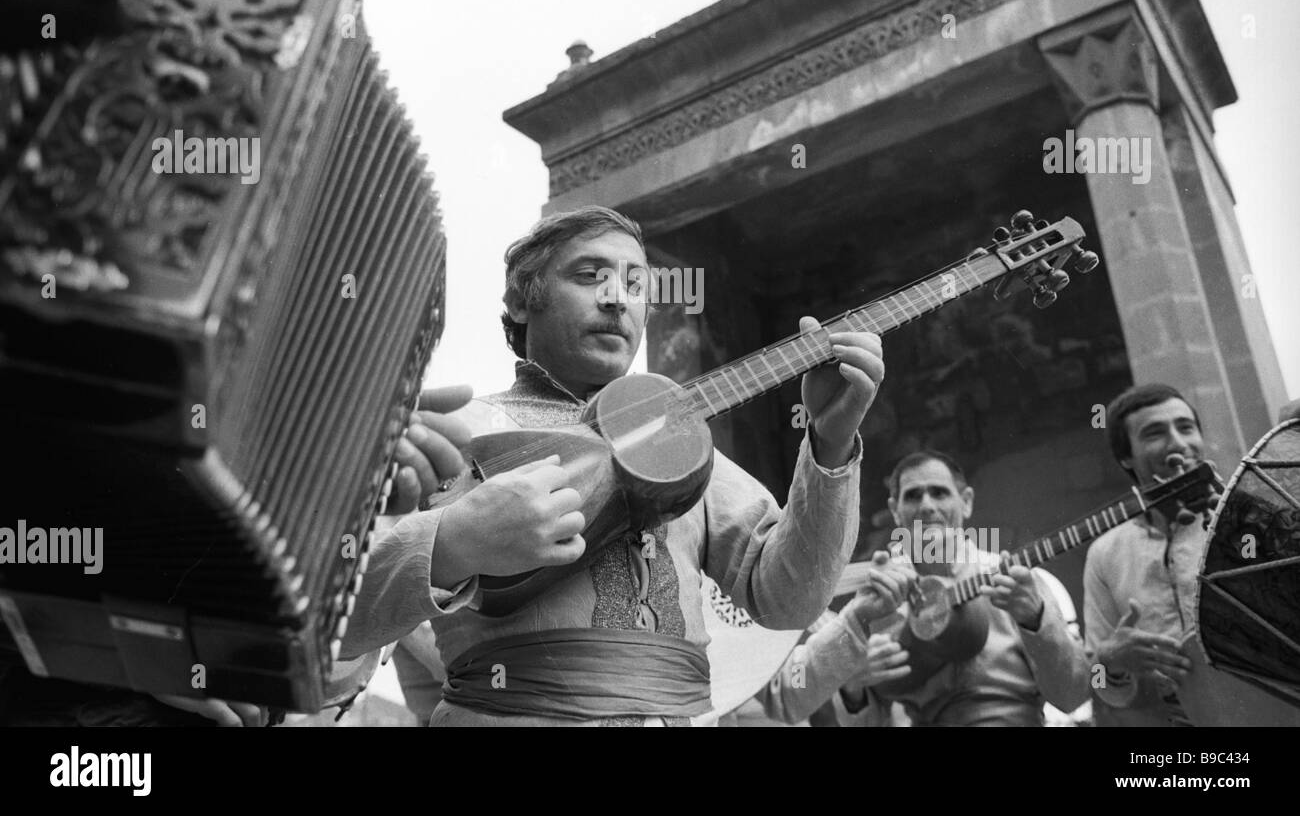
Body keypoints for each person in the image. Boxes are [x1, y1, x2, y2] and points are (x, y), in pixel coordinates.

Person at [339, 205, 885, 726]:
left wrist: (830, 444)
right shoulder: (455, 429)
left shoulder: (682, 445)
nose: (616, 300)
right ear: (522, 299)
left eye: (634, 285)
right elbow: (329, 620)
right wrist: (452, 542)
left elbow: (787, 598)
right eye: (588, 275)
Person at [762, 450, 1091, 726]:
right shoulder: (877, 600)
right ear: (895, 510)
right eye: (913, 495)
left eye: (940, 492)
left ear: (966, 502)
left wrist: (1036, 618)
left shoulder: (1017, 582)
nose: (927, 505)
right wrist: (854, 685)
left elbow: (1072, 695)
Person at [1083, 383, 1300, 727]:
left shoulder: (1257, 516)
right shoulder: (1104, 554)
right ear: (1126, 457)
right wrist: (1111, 660)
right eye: (1154, 433)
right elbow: (1093, 684)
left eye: (1186, 428)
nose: (1178, 445)